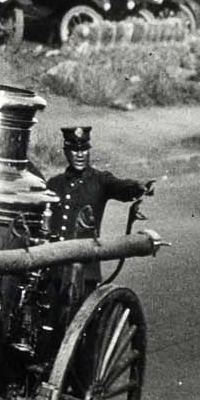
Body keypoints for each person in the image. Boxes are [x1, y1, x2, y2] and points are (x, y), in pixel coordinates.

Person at [46, 125, 152, 294]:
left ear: (89, 151)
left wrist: (139, 186)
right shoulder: (54, 183)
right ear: (66, 152)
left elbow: (121, 187)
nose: (80, 155)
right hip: (55, 270)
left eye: (84, 150)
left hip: (85, 271)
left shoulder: (100, 181)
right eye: (74, 150)